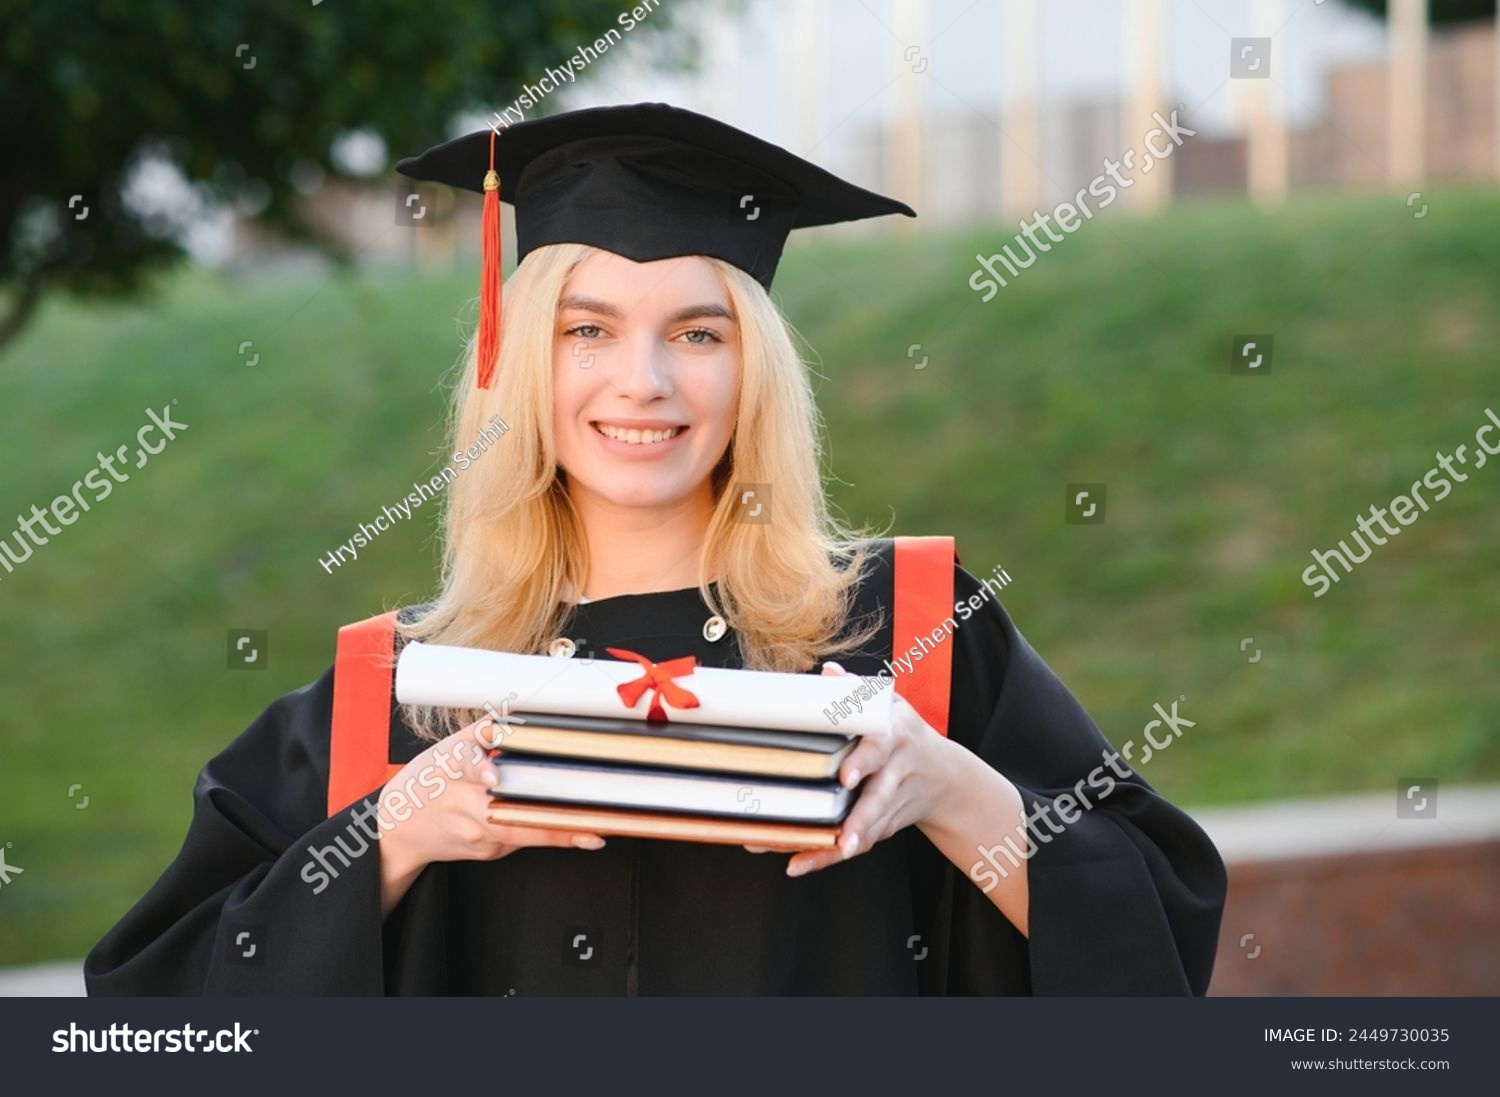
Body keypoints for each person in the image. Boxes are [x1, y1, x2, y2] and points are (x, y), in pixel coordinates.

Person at [86, 103, 1226, 996]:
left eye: (698, 331)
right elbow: (154, 1005)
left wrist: (947, 785)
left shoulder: (908, 629)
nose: (646, 381)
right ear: (527, 357)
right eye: (588, 329)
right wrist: (390, 834)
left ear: (754, 369)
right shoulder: (397, 692)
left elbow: (1160, 927)